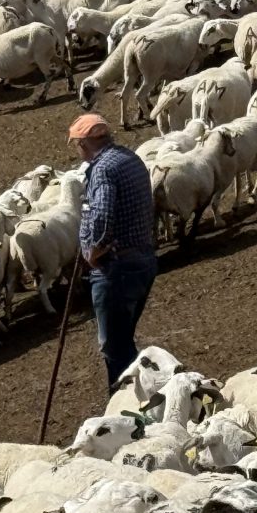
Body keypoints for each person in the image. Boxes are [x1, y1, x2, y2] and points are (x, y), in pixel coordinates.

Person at [70, 112, 158, 392]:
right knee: (123, 338)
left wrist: (93, 251)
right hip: (143, 259)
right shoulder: (129, 158)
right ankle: (138, 397)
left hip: (117, 268)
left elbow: (102, 217)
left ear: (83, 143)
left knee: (114, 346)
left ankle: (128, 404)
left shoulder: (103, 169)